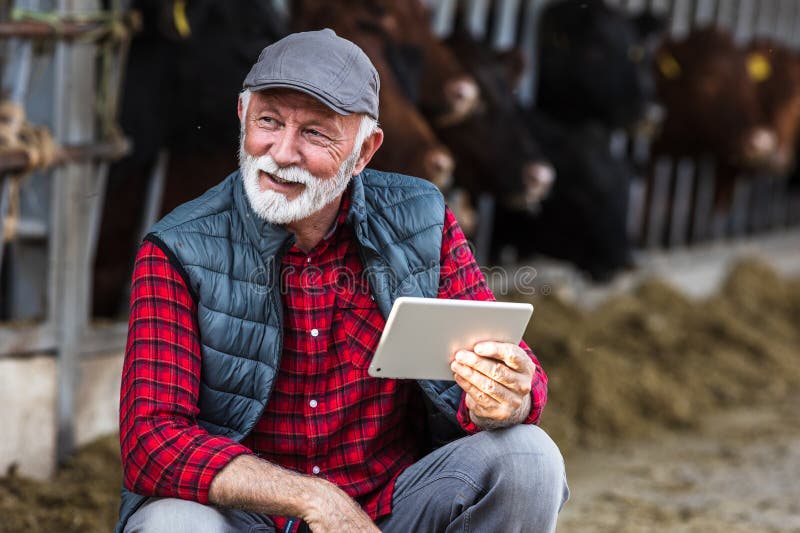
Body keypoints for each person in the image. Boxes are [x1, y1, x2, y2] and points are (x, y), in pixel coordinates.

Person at [116, 29, 568, 533]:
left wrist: (510, 395)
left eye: (315, 133)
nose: (282, 152)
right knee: (172, 524)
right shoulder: (177, 248)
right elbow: (151, 440)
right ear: (241, 116)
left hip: (388, 512)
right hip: (246, 519)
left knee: (528, 457)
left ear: (364, 151)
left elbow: (495, 353)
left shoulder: (420, 217)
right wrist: (312, 498)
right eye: (268, 121)